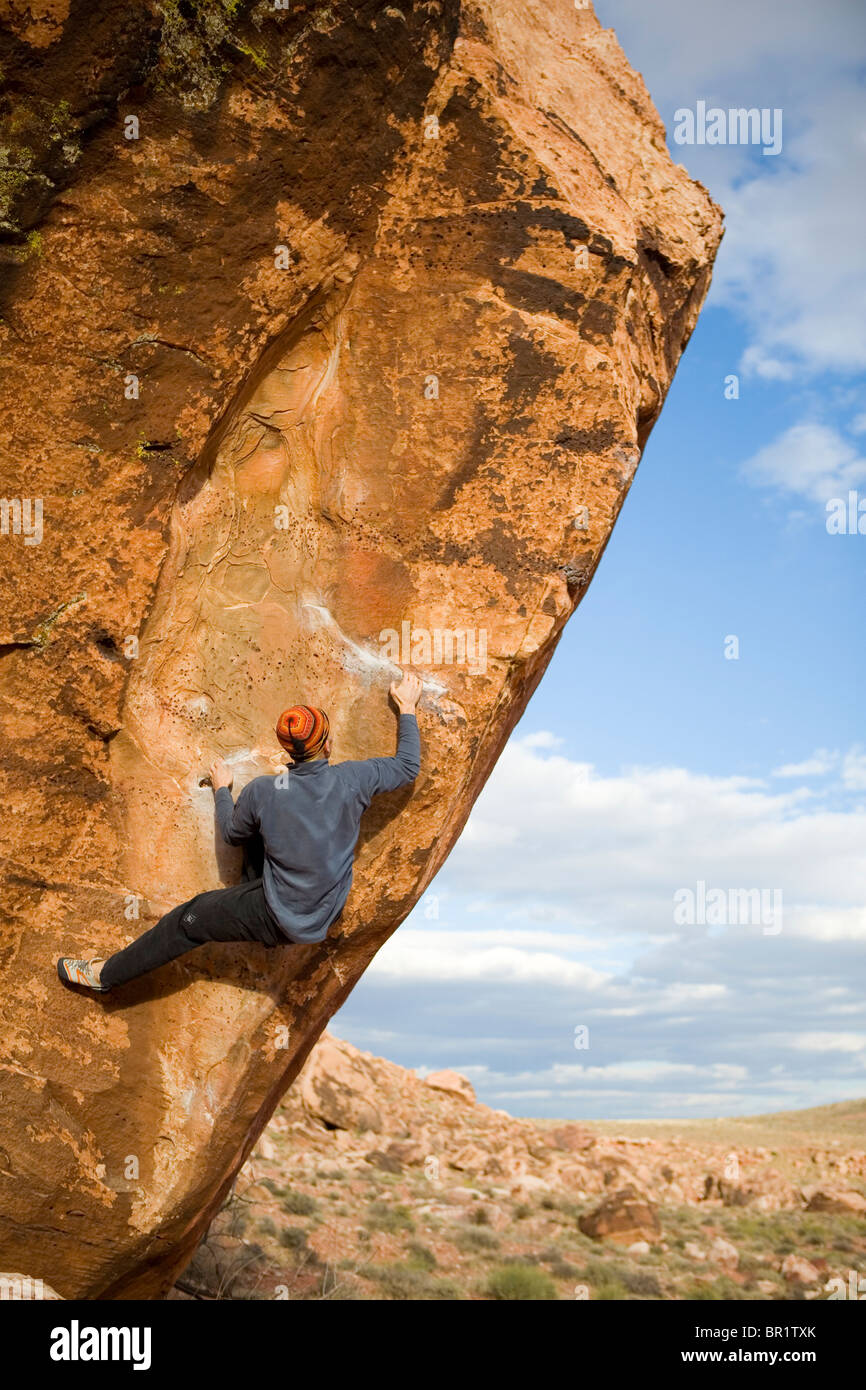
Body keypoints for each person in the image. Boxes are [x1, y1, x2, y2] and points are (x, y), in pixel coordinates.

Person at [57, 671, 422, 993]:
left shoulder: (266, 791)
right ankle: (254, 906)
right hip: (325, 910)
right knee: (271, 835)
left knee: (189, 919)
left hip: (282, 917)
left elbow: (232, 832)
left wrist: (221, 790)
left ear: (286, 750)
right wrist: (407, 707)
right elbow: (407, 765)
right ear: (327, 745)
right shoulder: (352, 780)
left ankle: (104, 976)